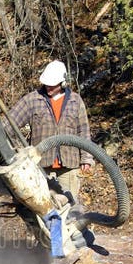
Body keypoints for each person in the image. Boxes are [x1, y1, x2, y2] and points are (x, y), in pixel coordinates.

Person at [6, 60, 94, 204]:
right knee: (41, 208)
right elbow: (9, 125)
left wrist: (86, 158)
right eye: (47, 83)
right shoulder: (32, 100)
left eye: (52, 85)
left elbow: (83, 131)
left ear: (63, 83)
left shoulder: (75, 101)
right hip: (41, 167)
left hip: (68, 166)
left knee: (69, 207)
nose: (48, 87)